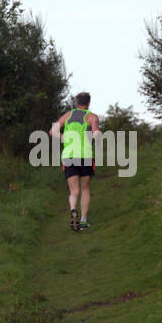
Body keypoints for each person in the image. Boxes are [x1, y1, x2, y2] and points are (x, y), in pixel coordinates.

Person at [51, 92, 99, 231]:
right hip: (86, 156)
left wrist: (65, 138)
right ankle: (83, 221)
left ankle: (73, 208)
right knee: (85, 188)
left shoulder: (67, 116)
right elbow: (96, 133)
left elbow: (52, 131)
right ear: (88, 103)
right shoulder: (92, 117)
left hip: (69, 155)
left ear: (76, 103)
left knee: (74, 191)